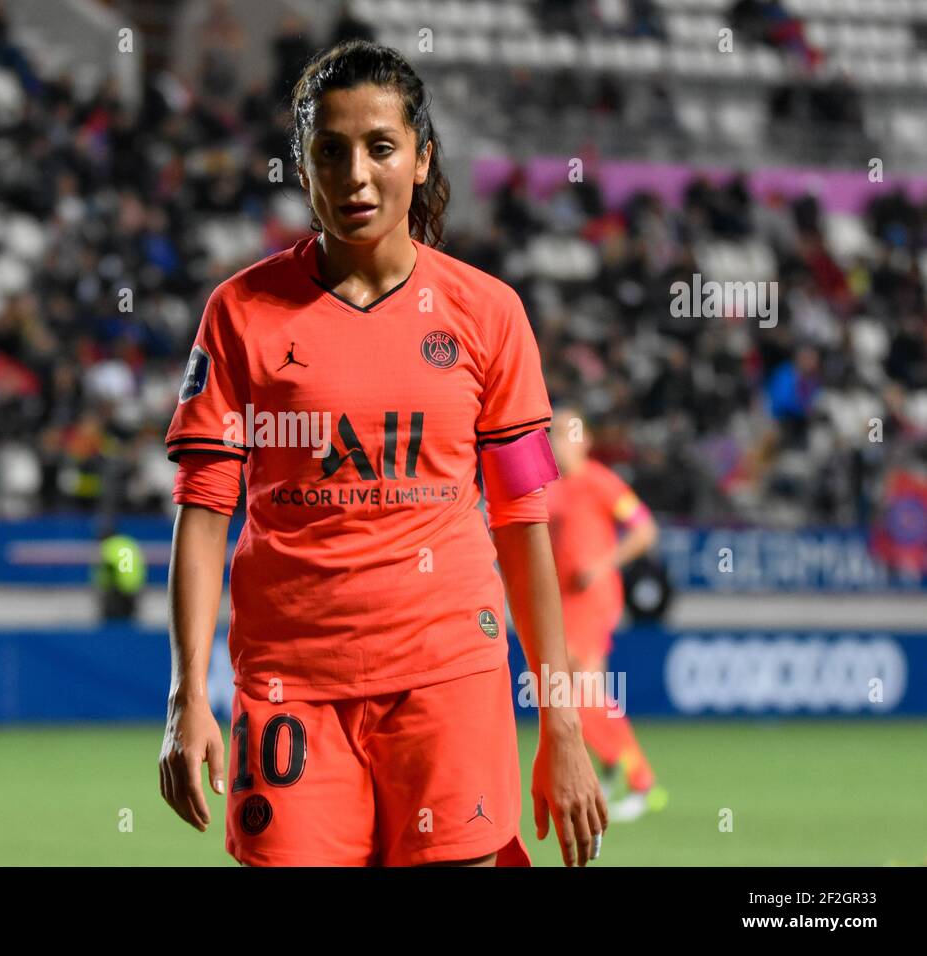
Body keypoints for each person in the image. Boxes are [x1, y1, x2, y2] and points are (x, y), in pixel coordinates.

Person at [158, 39, 605, 867]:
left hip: (450, 676)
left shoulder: (490, 314)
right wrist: (188, 695)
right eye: (330, 151)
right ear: (302, 167)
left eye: (380, 147)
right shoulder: (240, 314)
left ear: (422, 156)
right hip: (290, 683)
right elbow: (204, 508)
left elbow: (521, 522)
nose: (355, 174)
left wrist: (563, 723)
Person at [545, 404, 667, 822]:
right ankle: (617, 769)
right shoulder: (551, 488)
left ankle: (640, 778)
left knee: (576, 695)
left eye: (563, 433)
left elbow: (645, 529)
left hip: (592, 602)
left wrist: (600, 565)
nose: (555, 442)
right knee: (583, 696)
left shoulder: (601, 483)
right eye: (552, 433)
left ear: (584, 440)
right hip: (561, 605)